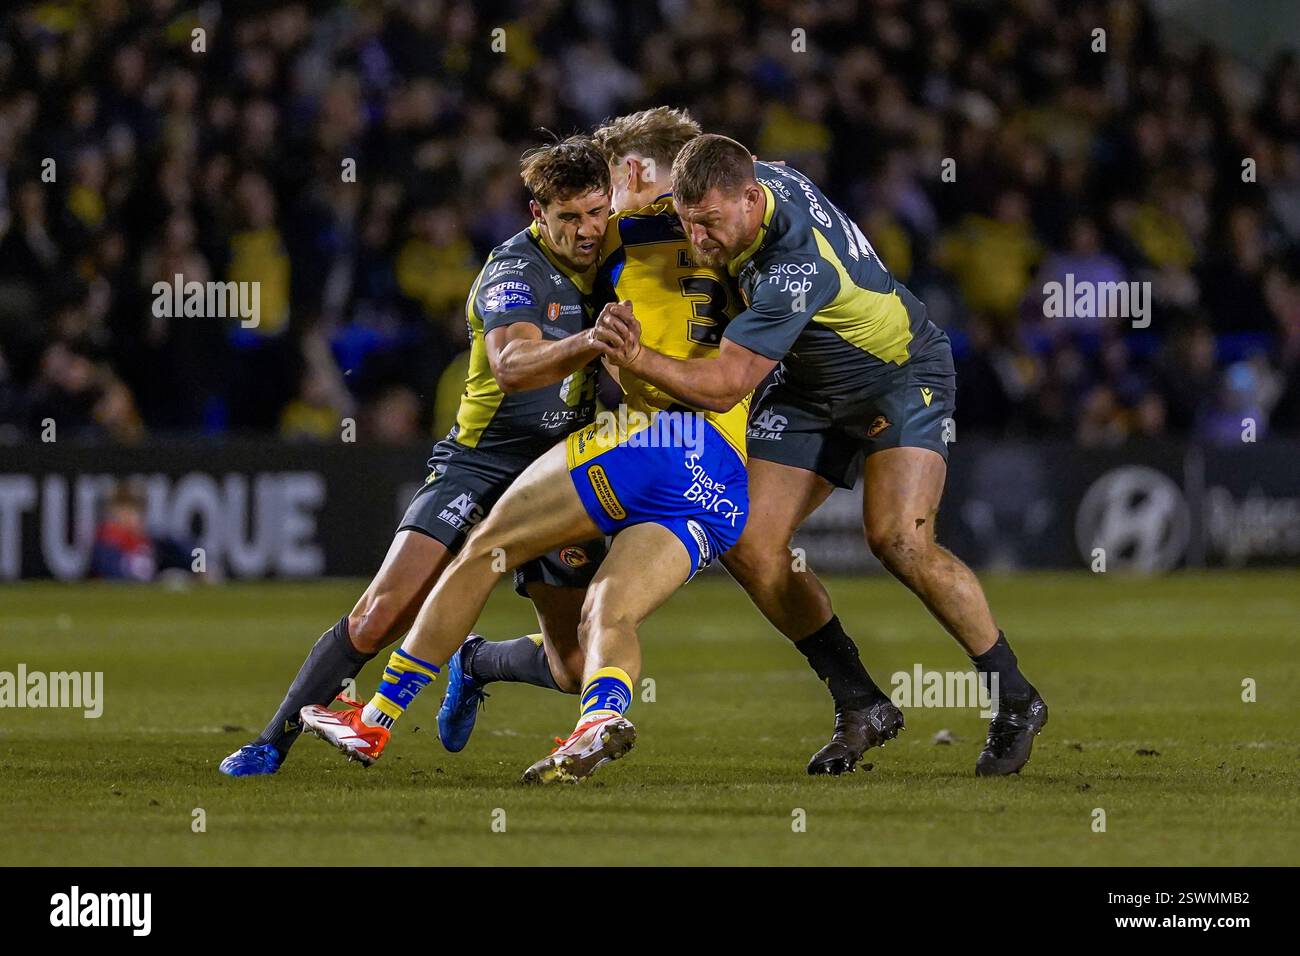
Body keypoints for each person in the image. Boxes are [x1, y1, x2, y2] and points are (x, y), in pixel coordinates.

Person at [300, 107, 751, 784]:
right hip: (724, 476)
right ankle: (598, 716)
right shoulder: (747, 235)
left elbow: (564, 253)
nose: (591, 222)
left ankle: (375, 719)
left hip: (654, 440)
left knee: (486, 546)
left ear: (629, 173)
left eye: (604, 192)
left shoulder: (624, 232)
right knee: (609, 612)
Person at [594, 134, 1048, 777]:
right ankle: (859, 702)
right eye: (690, 223)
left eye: (711, 226)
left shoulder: (795, 264)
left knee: (898, 540)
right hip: (810, 387)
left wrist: (636, 358)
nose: (699, 243)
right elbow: (695, 171)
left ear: (751, 201)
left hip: (898, 375)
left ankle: (1015, 698)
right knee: (750, 543)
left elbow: (727, 383)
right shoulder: (740, 182)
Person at [218, 136, 613, 775]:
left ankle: (476, 660)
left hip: (558, 471)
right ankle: (271, 741)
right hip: (481, 464)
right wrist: (594, 340)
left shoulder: (617, 252)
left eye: (597, 212)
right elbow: (513, 366)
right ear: (538, 213)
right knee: (384, 611)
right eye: (569, 217)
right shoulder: (514, 272)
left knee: (572, 669)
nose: (588, 230)